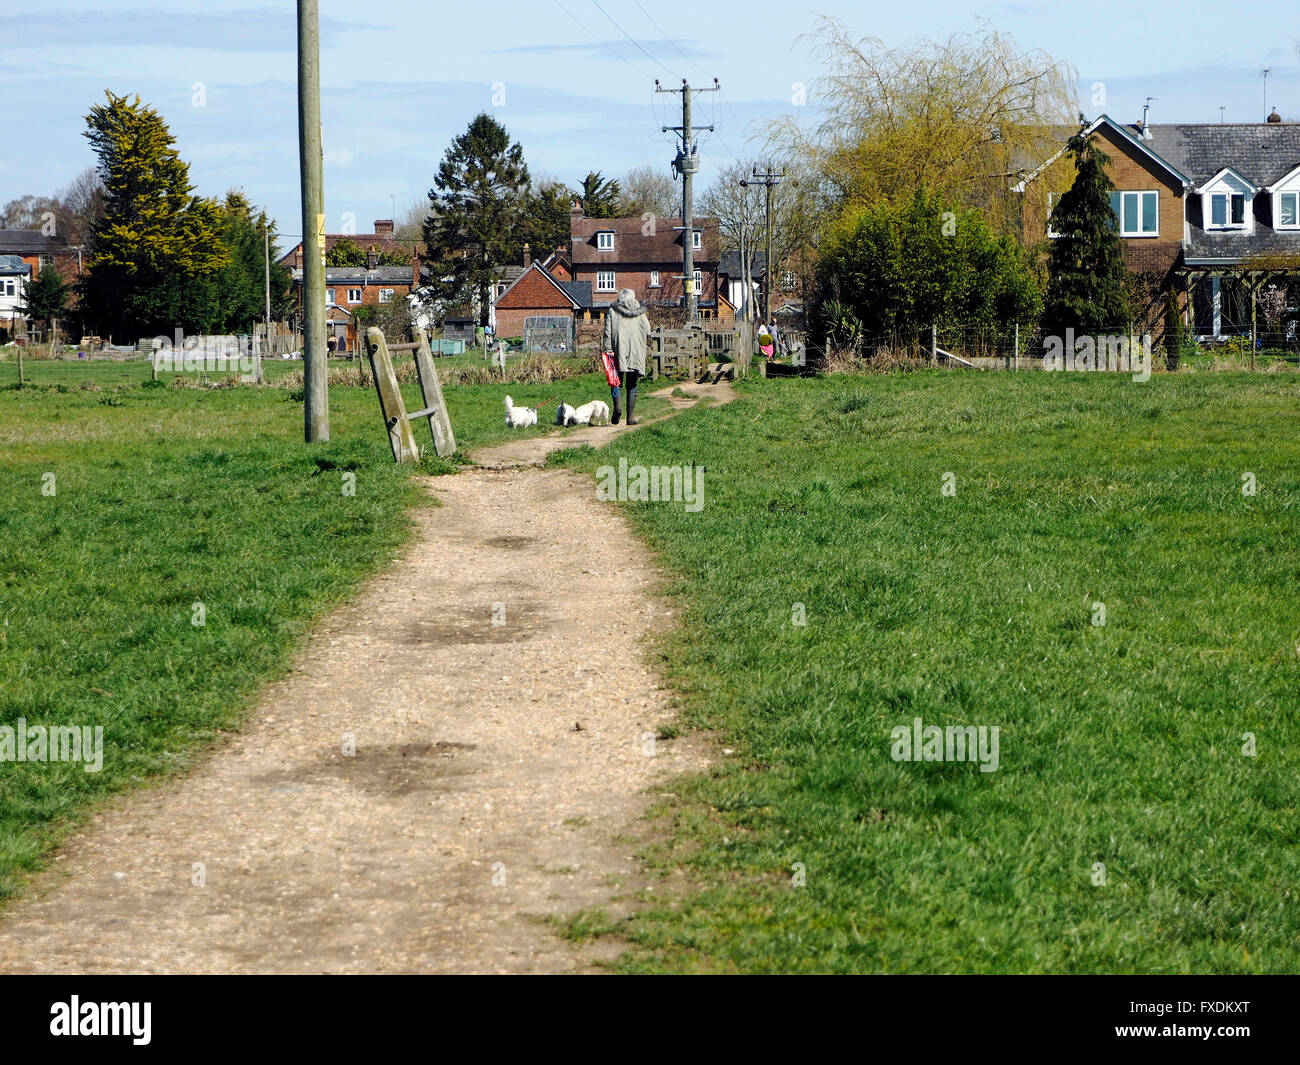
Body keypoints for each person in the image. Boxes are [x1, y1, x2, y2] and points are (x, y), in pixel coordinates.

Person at [602, 288, 651, 425]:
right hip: (636, 352)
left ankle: (617, 407)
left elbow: (607, 332)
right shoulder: (640, 313)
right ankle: (631, 417)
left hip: (618, 351)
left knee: (616, 382)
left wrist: (608, 348)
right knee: (632, 384)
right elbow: (648, 330)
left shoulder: (613, 311)